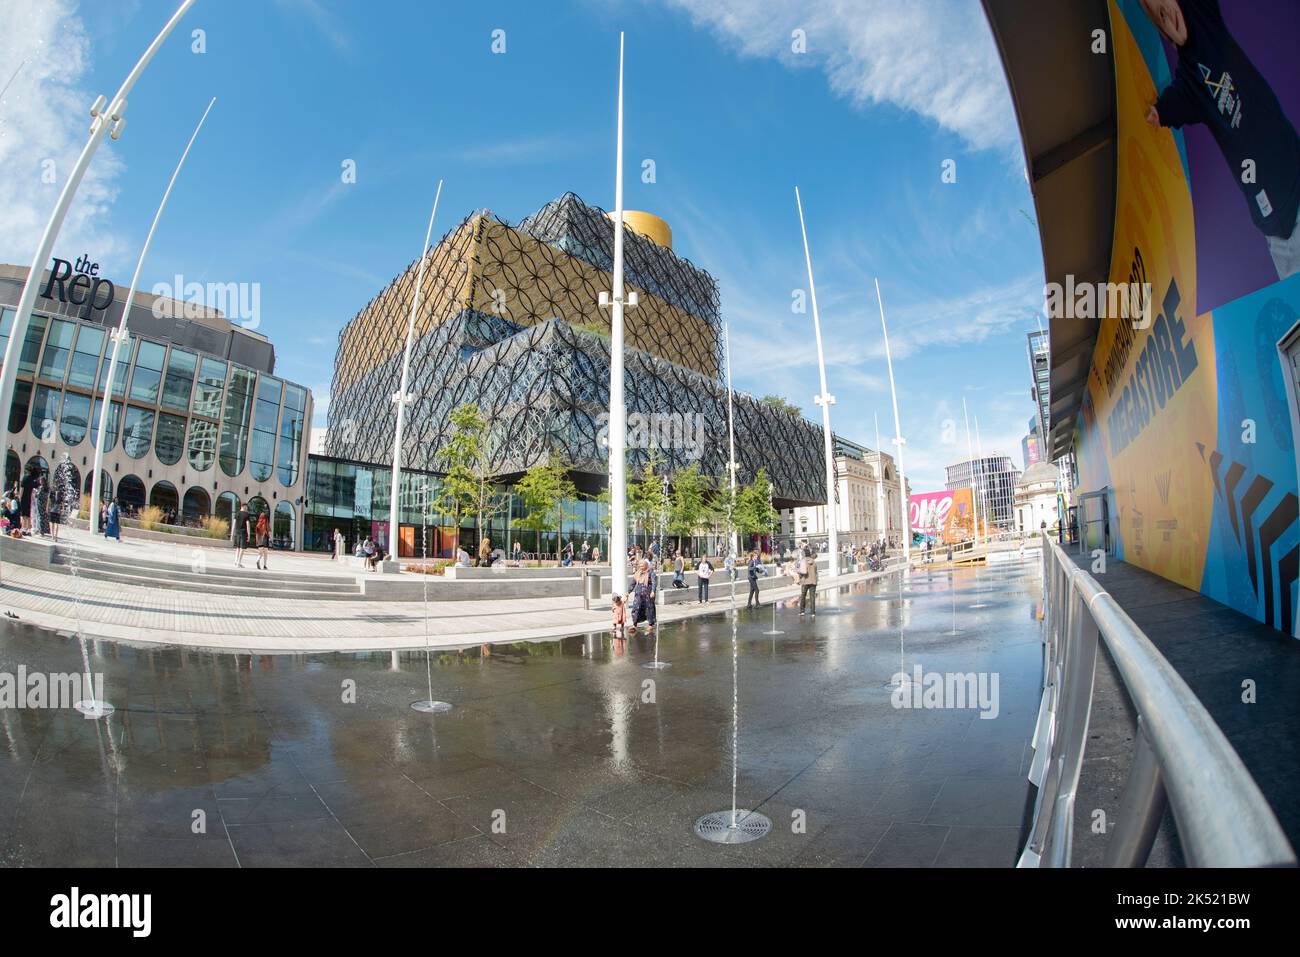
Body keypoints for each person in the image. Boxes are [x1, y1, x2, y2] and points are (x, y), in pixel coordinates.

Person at [1140, 0, 1300, 279]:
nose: (1170, 17)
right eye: (1162, 17)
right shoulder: (1189, 86)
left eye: (1167, 5)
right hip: (1279, 232)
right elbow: (1163, 110)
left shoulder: (1204, 18)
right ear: (1164, 34)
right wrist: (1154, 113)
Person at [628, 558, 657, 633]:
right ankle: (634, 624)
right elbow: (633, 583)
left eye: (642, 565)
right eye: (640, 565)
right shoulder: (637, 573)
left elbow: (654, 583)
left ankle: (650, 624)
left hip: (648, 594)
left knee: (649, 608)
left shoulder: (651, 572)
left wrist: (653, 591)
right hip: (638, 594)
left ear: (646, 565)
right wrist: (628, 592)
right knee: (636, 608)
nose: (641, 567)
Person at [798, 545, 818, 617]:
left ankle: (802, 611)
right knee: (812, 597)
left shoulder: (803, 561)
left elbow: (802, 572)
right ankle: (813, 612)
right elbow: (815, 571)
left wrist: (800, 577)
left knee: (803, 596)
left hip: (805, 581)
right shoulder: (814, 561)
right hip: (813, 581)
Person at [233, 502, 252, 567]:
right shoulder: (246, 514)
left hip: (237, 532)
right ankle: (239, 562)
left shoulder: (237, 514)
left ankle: (236, 561)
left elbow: (234, 523)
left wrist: (232, 533)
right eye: (246, 507)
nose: (246, 508)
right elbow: (248, 525)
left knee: (238, 548)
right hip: (243, 533)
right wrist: (249, 535)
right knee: (242, 548)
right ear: (243, 506)